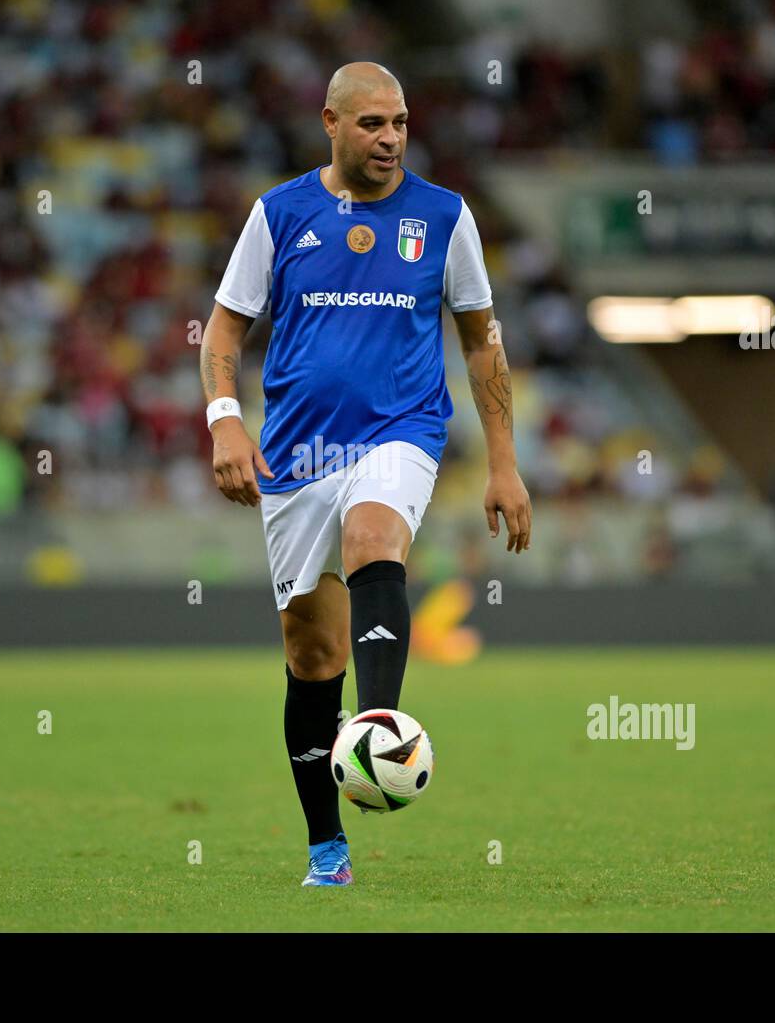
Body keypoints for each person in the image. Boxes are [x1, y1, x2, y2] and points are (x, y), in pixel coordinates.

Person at [199, 62, 531, 886]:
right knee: (312, 655)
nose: (391, 139)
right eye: (374, 124)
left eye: (402, 123)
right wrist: (225, 421)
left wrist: (504, 463)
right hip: (298, 455)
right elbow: (220, 335)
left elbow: (483, 340)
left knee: (374, 532)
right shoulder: (278, 215)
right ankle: (326, 847)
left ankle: (381, 719)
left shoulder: (445, 217)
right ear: (332, 123)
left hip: (401, 431)